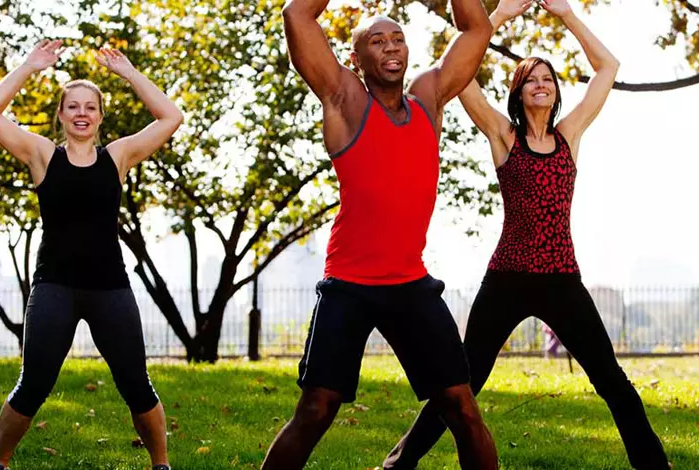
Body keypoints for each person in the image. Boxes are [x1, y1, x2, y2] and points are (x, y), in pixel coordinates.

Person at [383, 1, 670, 469]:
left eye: (548, 78)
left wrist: (567, 16)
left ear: (556, 93)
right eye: (531, 78)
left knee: (610, 378)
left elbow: (608, 67)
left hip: (562, 279)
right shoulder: (502, 135)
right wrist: (499, 18)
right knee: (464, 381)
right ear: (519, 92)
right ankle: (398, 463)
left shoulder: (569, 135)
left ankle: (654, 465)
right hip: (508, 279)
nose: (541, 84)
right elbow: (455, 74)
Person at [262, 1, 500, 469]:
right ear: (357, 60)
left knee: (461, 405)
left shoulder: (428, 99)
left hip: (410, 284)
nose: (391, 47)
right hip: (350, 285)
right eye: (377, 40)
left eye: (397, 38)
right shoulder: (345, 100)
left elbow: (477, 28)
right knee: (316, 409)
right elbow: (297, 16)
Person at [0, 40, 183, 470]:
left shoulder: (118, 156)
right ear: (61, 115)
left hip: (110, 287)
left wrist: (129, 74)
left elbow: (171, 117)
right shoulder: (41, 155)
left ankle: (161, 465)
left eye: (90, 107)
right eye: (73, 107)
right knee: (33, 384)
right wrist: (29, 66)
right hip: (55, 286)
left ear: (100, 116)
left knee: (136, 385)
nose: (82, 113)